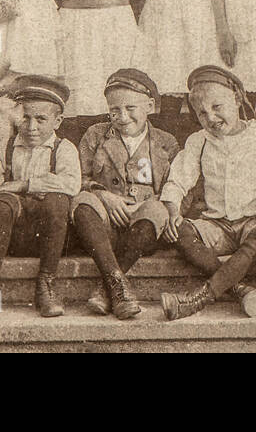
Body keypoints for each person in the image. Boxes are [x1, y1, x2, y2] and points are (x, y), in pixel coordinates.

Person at [158, 65, 256, 320]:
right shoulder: (199, 140)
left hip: (253, 223)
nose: (210, 118)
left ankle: (199, 298)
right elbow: (178, 180)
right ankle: (239, 289)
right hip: (218, 225)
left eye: (217, 107)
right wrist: (172, 211)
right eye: (202, 113)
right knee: (180, 230)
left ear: (236, 98)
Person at [71, 68, 180, 319]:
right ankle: (117, 284)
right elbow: (78, 179)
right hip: (105, 221)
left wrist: (152, 205)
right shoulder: (96, 135)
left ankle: (107, 287)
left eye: (131, 108)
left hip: (142, 224)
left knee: (157, 209)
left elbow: (175, 187)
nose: (122, 117)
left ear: (150, 106)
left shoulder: (166, 143)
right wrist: (104, 196)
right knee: (82, 202)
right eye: (114, 110)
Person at [0, 75, 81, 318]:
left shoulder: (63, 148)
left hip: (50, 237)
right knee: (2, 202)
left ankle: (47, 283)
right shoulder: (6, 147)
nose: (31, 127)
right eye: (25, 118)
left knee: (57, 200)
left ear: (57, 121)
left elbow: (71, 185)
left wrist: (22, 184)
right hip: (10, 236)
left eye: (41, 119)